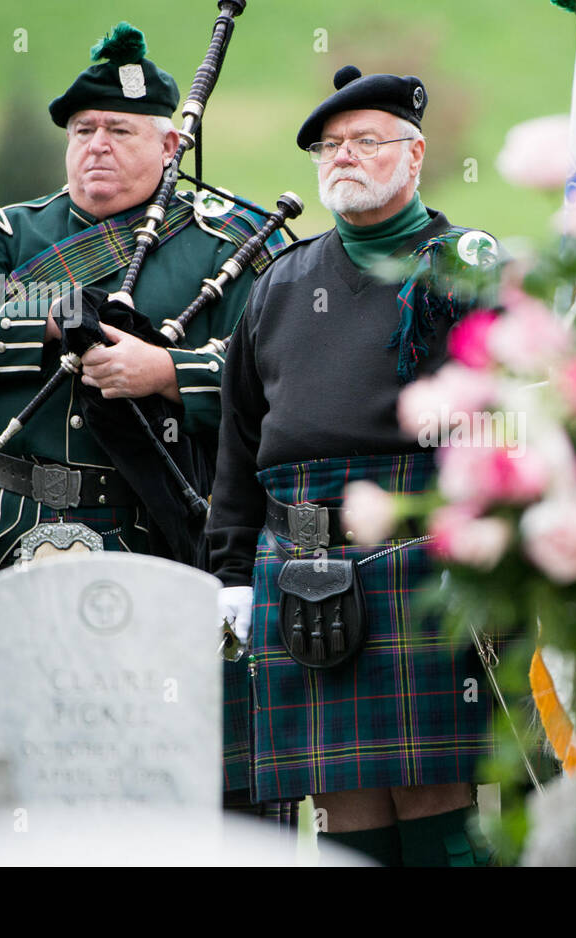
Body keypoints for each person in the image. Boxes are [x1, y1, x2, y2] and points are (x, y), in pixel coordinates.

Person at [0, 22, 284, 767]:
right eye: (83, 129)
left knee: (143, 767)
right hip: (11, 535)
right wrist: (49, 326)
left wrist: (165, 372)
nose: (97, 145)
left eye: (119, 128)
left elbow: (271, 377)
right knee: (7, 776)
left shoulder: (225, 245)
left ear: (170, 146)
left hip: (158, 531)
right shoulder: (14, 237)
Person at [208, 65, 506, 866]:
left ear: (413, 157)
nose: (343, 156)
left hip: (420, 554)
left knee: (434, 785)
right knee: (338, 801)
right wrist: (234, 570)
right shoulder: (279, 285)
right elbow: (239, 440)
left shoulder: (466, 268)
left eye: (365, 141)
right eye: (329, 146)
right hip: (294, 557)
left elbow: (513, 413)